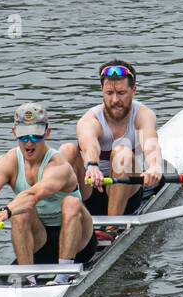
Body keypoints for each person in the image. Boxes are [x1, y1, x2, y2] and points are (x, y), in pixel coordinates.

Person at [0, 101, 96, 284]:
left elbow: (33, 195)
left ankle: (62, 277)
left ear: (47, 133)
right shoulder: (8, 160)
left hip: (79, 244)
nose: (29, 143)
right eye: (23, 136)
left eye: (36, 136)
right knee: (20, 213)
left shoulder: (58, 165)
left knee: (71, 203)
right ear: (14, 133)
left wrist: (6, 212)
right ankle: (28, 280)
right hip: (40, 241)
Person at [59, 60, 163, 219]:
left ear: (133, 90)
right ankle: (66, 220)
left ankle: (112, 227)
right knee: (66, 150)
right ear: (102, 91)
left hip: (127, 193)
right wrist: (92, 165)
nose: (115, 100)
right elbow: (89, 144)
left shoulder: (143, 114)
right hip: (92, 191)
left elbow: (150, 141)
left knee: (122, 153)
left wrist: (155, 166)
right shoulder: (90, 119)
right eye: (109, 93)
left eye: (121, 93)